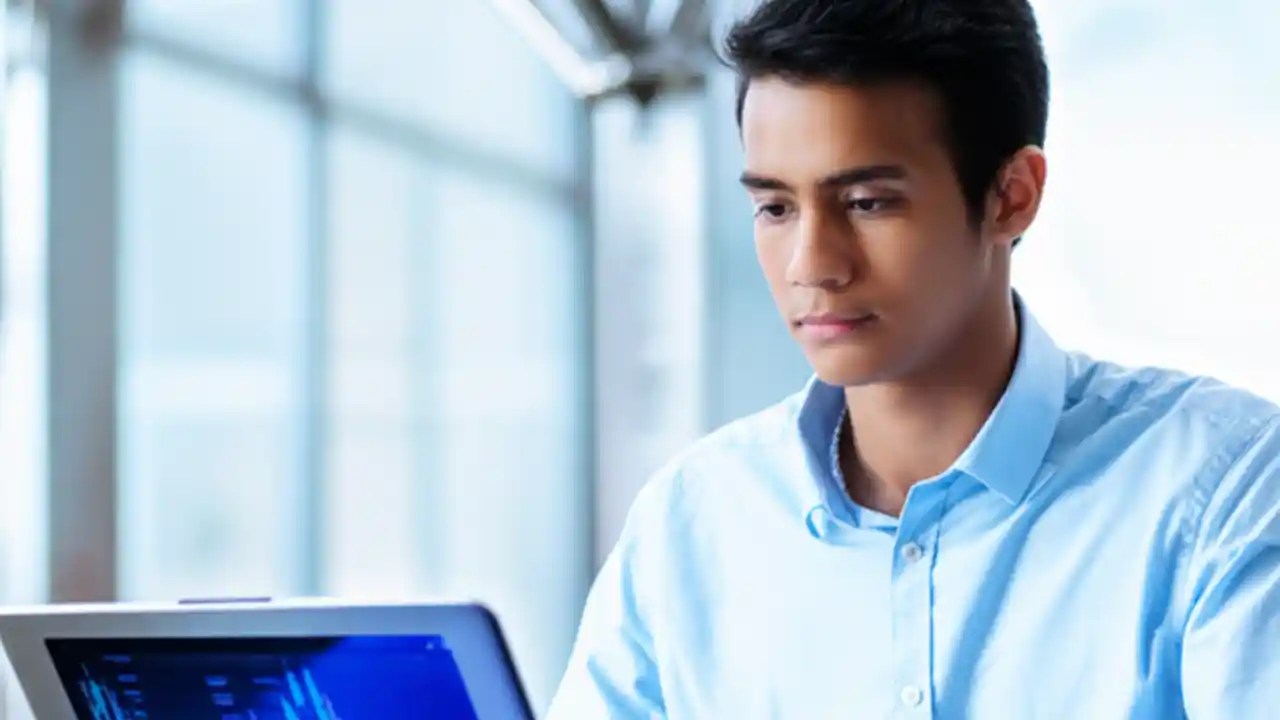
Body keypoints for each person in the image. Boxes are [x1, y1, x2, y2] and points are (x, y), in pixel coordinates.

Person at [547, 0, 1280, 717]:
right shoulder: (692, 521)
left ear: (1011, 197)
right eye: (776, 208)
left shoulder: (1222, 490)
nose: (812, 265)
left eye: (866, 202)